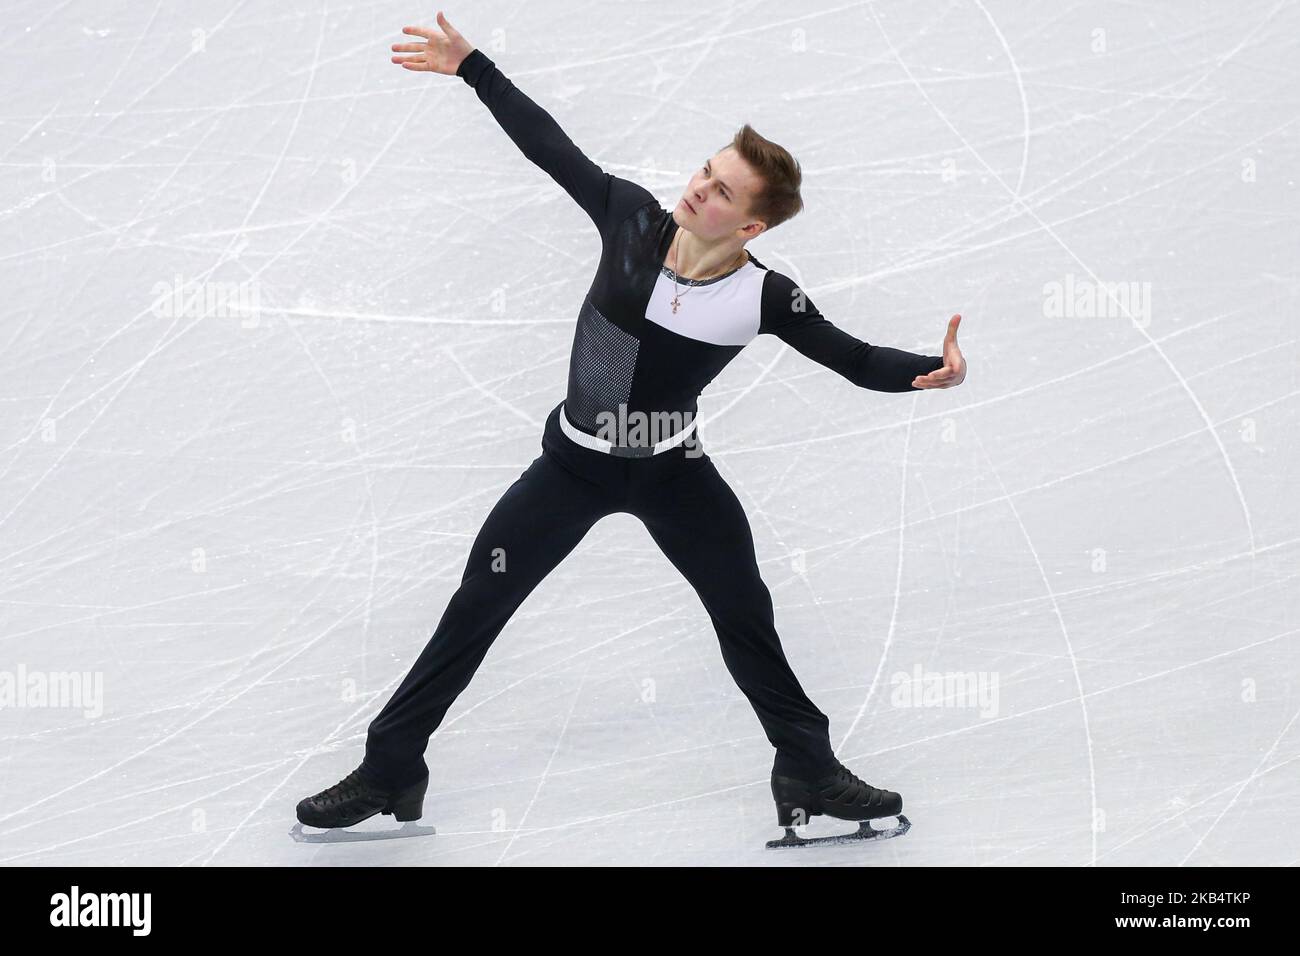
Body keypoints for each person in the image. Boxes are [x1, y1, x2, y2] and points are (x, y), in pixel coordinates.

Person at [296, 12, 966, 840]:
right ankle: (391, 765)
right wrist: (475, 68)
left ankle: (807, 767)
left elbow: (854, 358)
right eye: (705, 171)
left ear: (751, 227)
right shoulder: (626, 216)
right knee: (478, 604)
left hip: (672, 472)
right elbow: (549, 146)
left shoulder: (765, 297)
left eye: (722, 191)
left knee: (743, 611)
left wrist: (924, 372)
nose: (699, 188)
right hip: (572, 467)